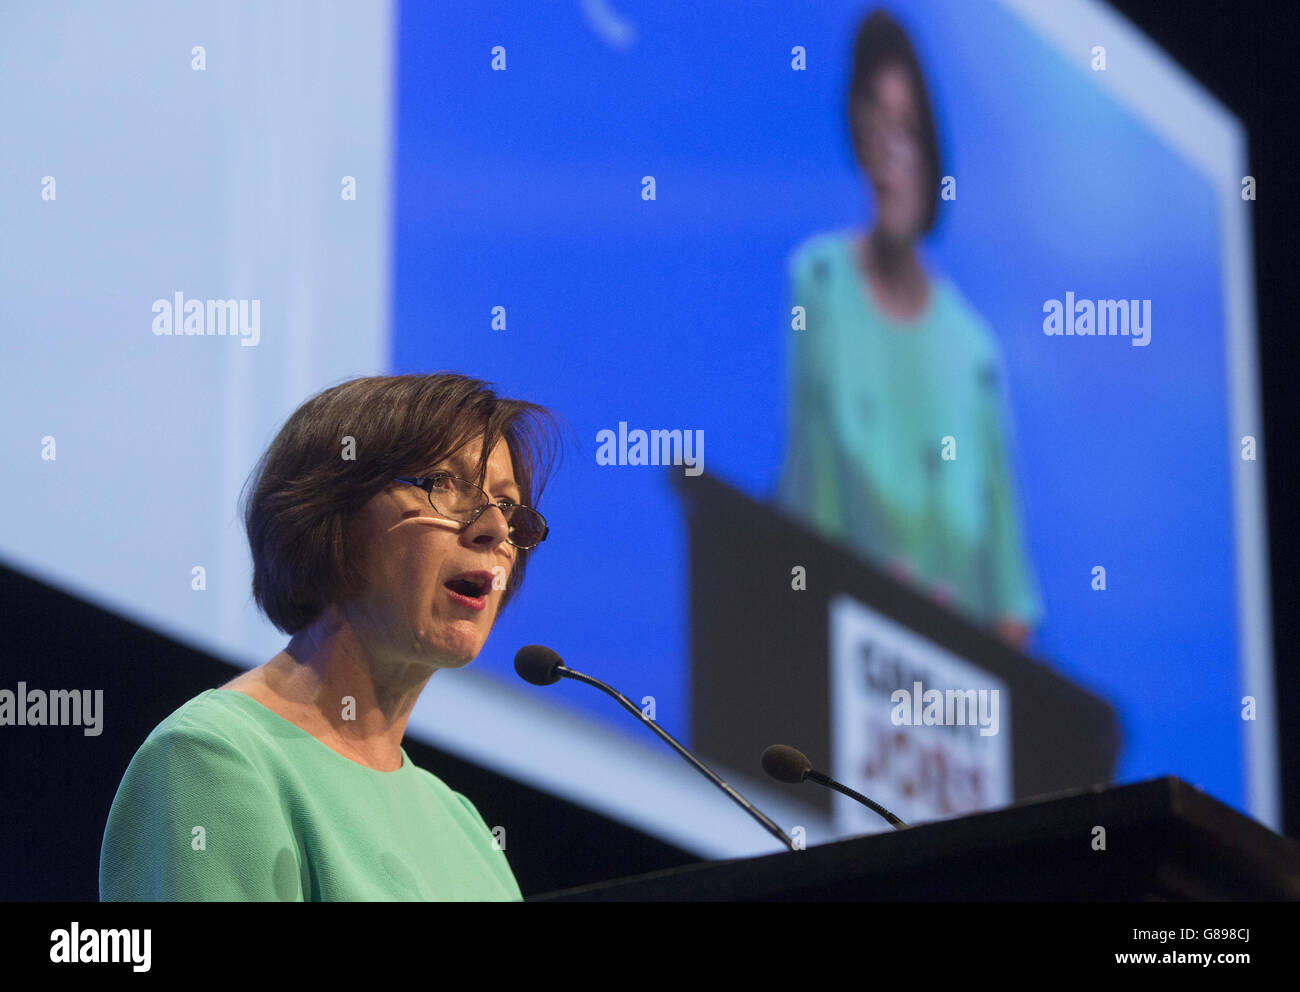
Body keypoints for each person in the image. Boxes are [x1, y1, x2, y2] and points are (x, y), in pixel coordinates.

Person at [100, 373, 560, 900]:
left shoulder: (464, 828)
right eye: (441, 484)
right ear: (329, 514)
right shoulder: (215, 759)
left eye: (509, 509)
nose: (496, 531)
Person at [777, 9, 1042, 648]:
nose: (894, 150)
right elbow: (809, 512)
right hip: (835, 656)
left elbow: (1010, 596)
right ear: (858, 134)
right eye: (878, 121)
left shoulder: (975, 350)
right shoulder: (819, 281)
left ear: (935, 151)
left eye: (911, 129)